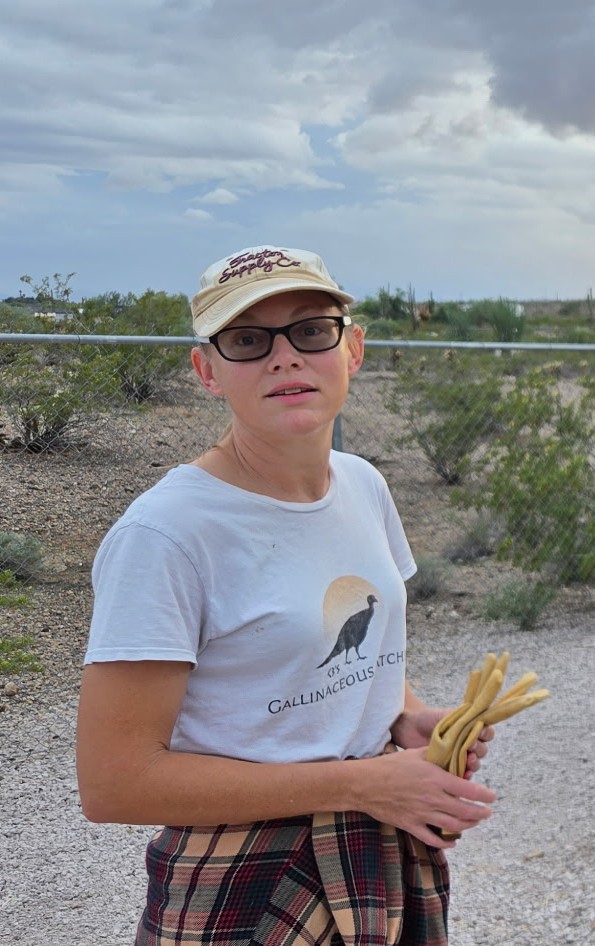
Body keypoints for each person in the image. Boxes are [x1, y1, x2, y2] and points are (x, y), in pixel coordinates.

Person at [77, 245, 495, 946]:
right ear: (207, 371)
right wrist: (357, 784)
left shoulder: (363, 485)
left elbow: (347, 654)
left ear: (352, 350)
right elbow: (114, 783)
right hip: (245, 871)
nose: (285, 357)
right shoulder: (167, 534)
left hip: (376, 838)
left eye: (310, 330)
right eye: (248, 340)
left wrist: (406, 715)